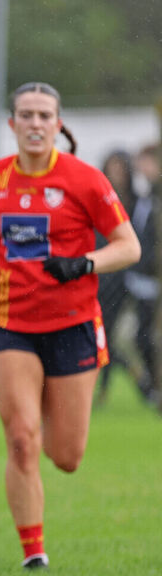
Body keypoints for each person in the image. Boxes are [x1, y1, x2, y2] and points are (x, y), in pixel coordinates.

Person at [0, 82, 141, 570]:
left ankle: (54, 411)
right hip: (11, 325)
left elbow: (128, 246)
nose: (34, 123)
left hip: (74, 325)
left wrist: (84, 264)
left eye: (43, 115)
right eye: (25, 115)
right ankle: (34, 552)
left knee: (66, 454)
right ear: (11, 124)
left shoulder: (85, 180)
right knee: (21, 440)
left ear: (58, 124)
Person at [94, 150, 135, 405]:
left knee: (108, 336)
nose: (116, 173)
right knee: (102, 336)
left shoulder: (134, 202)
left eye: (121, 168)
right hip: (100, 276)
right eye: (113, 168)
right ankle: (131, 376)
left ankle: (108, 387)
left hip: (123, 280)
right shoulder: (98, 200)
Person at [124, 144, 160, 404]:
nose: (139, 167)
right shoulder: (143, 197)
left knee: (150, 339)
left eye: (145, 161)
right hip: (137, 281)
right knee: (129, 339)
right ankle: (150, 387)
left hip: (152, 282)